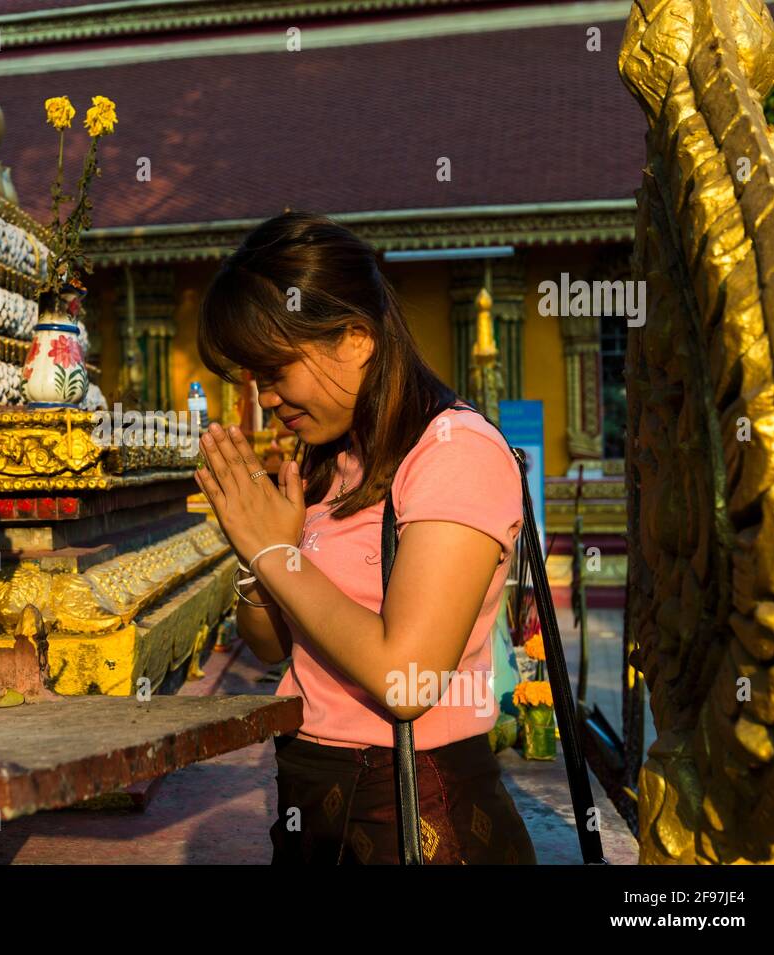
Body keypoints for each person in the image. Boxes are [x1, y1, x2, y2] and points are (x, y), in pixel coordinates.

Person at [194, 210, 536, 864]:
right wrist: (257, 560)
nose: (266, 398)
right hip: (313, 794)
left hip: (413, 811)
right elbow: (269, 644)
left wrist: (277, 553)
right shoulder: (334, 458)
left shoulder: (453, 453)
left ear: (355, 339)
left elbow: (405, 678)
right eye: (254, 378)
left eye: (274, 370)